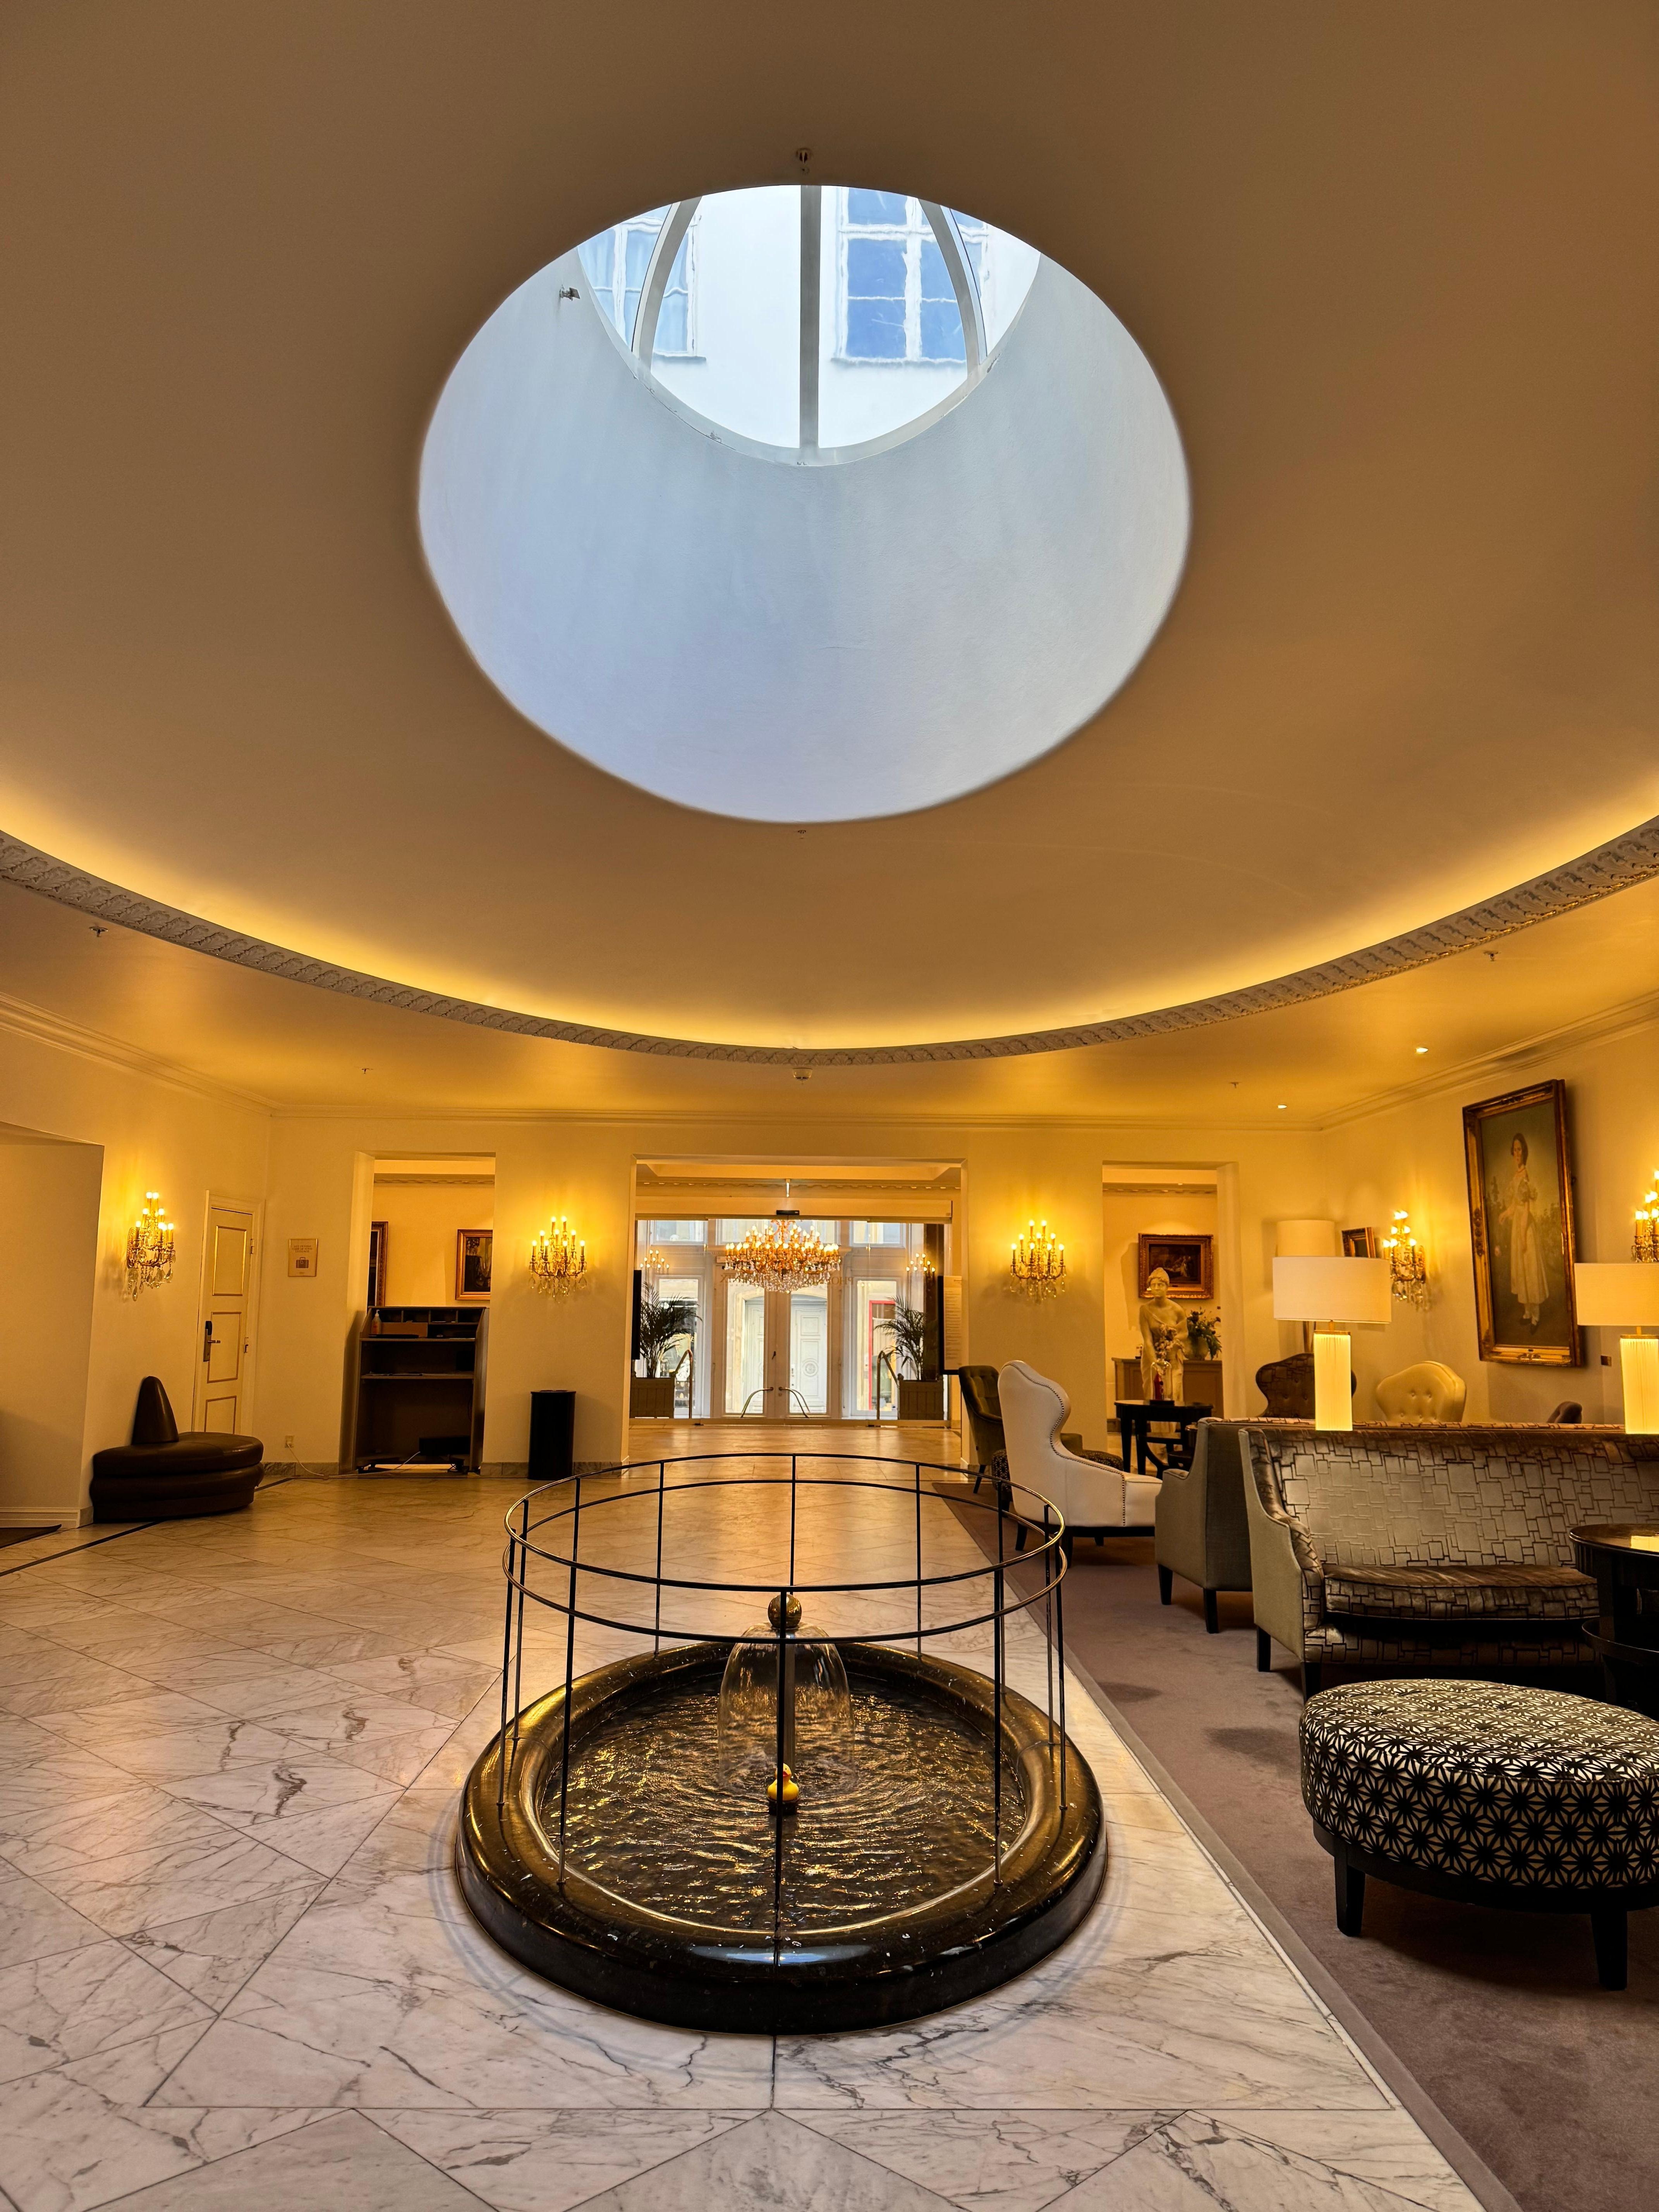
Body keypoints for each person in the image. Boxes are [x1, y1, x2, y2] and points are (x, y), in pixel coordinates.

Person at [1499, 1131, 1549, 1328]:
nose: (1517, 1153)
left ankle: (1536, 1314)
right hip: (1517, 1225)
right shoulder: (1516, 1176)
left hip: (1526, 1227)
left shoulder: (1526, 1175)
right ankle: (1527, 1311)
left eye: (1520, 1149)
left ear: (1524, 1152)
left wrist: (1522, 1235)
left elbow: (1526, 1207)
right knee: (1521, 1269)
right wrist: (1505, 1214)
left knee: (1530, 1268)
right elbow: (1516, 1205)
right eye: (1515, 1150)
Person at [1138, 1267, 1187, 1401]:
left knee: (1173, 1392)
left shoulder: (1177, 1310)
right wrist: (1156, 1363)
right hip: (1152, 1355)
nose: (1157, 1288)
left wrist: (1172, 1344)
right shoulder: (1145, 1310)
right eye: (1154, 1285)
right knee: (1153, 1393)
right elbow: (1148, 1340)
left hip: (1172, 1355)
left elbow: (1184, 1333)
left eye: (1160, 1285)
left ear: (1167, 1287)